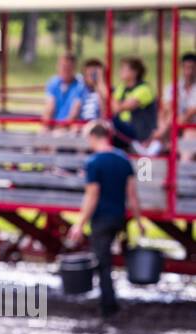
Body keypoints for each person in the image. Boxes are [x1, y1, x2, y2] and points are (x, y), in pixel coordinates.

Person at [68, 122, 143, 318]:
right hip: (118, 218)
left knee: (103, 262)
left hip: (101, 219)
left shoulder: (94, 162)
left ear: (94, 136)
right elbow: (132, 195)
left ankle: (108, 305)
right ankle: (109, 300)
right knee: (106, 259)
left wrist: (79, 224)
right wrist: (140, 221)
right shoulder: (123, 159)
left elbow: (92, 196)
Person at [151, 52, 196, 159]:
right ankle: (159, 143)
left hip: (190, 127)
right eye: (186, 68)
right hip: (172, 126)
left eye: (192, 68)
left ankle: (184, 168)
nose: (188, 72)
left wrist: (163, 130)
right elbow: (165, 109)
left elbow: (189, 115)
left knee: (189, 135)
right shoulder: (173, 87)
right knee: (168, 112)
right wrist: (164, 125)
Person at [110, 58, 157, 147]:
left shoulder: (144, 89)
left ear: (135, 72)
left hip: (139, 133)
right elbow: (113, 108)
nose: (121, 71)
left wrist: (114, 100)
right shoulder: (122, 88)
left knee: (111, 123)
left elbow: (119, 107)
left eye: (124, 69)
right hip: (124, 130)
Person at [42, 52, 87, 129]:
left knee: (74, 128)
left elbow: (74, 112)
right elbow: (49, 108)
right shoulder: (53, 83)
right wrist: (47, 126)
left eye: (68, 67)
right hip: (53, 125)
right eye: (63, 66)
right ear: (58, 67)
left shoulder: (80, 85)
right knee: (43, 131)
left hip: (70, 126)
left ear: (74, 68)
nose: (65, 70)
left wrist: (61, 128)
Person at [80, 58, 106, 124]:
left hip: (98, 125)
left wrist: (99, 86)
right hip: (82, 125)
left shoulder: (106, 91)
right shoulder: (81, 91)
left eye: (95, 75)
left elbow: (105, 113)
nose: (93, 78)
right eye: (90, 75)